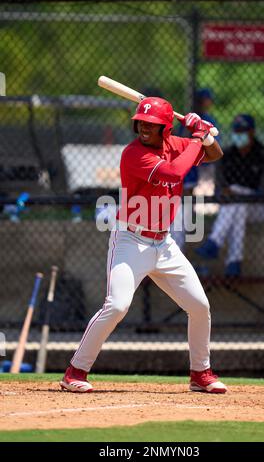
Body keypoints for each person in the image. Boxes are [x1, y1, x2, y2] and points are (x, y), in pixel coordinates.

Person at [60, 97, 227, 394]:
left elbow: (215, 154)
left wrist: (204, 133)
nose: (145, 128)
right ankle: (75, 371)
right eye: (141, 123)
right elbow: (175, 173)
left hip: (164, 244)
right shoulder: (133, 154)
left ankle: (200, 373)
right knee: (117, 305)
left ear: (165, 128)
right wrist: (197, 138)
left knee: (200, 306)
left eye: (153, 125)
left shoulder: (176, 143)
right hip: (130, 240)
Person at [196, 114, 264, 277]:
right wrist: (226, 192)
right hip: (233, 206)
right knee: (238, 205)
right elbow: (219, 189)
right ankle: (234, 261)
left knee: (240, 197)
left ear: (252, 132)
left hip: (259, 209)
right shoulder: (225, 156)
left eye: (243, 131)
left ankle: (214, 242)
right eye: (236, 131)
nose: (239, 134)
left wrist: (237, 192)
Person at [171, 88, 219, 251]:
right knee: (178, 208)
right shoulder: (186, 119)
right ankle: (178, 244)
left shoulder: (206, 120)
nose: (206, 103)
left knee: (184, 206)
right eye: (204, 100)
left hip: (200, 167)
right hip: (184, 167)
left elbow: (215, 150)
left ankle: (179, 245)